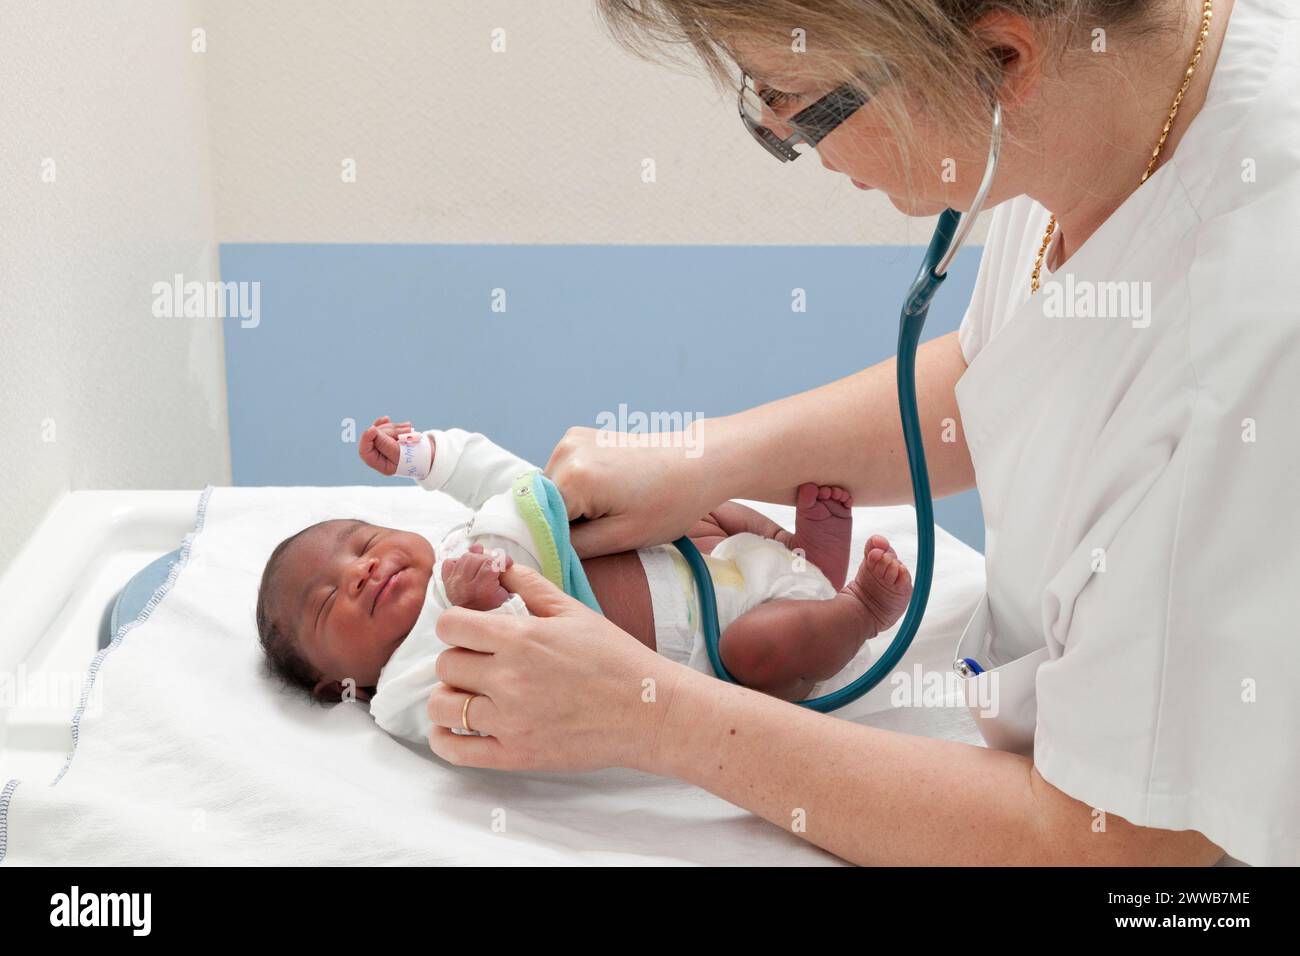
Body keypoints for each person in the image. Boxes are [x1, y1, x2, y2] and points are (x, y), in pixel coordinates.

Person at [424, 0, 1299, 866]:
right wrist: (707, 459)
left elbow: (1112, 847)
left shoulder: (1242, 343)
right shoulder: (1117, 97)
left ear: (1002, 59)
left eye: (798, 98)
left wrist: (651, 713)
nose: (782, 140)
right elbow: (1020, 366)